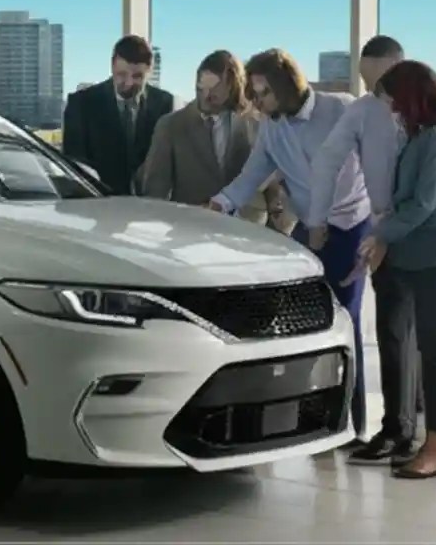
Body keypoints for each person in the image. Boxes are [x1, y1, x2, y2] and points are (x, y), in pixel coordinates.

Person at [206, 48, 371, 440]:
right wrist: (218, 204)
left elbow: (365, 169)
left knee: (345, 322)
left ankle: (353, 424)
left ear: (284, 86)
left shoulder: (341, 109)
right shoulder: (271, 128)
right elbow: (251, 177)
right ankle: (313, 420)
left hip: (350, 226)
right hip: (309, 229)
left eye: (262, 93)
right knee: (301, 323)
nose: (256, 102)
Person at [308, 35, 436, 465]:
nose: (376, 93)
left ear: (401, 69)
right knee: (391, 330)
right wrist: (317, 220)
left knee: (430, 338)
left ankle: (430, 428)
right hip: (384, 226)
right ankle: (397, 428)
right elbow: (330, 159)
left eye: (382, 83)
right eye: (368, 83)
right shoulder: (363, 110)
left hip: (428, 239)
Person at [350, 60, 436, 480]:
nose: (390, 111)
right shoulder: (420, 132)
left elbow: (425, 202)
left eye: (392, 101)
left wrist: (379, 235)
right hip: (422, 255)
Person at [138, 50, 295, 233]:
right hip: (191, 234)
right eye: (200, 89)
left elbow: (274, 184)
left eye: (214, 91)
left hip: (249, 235)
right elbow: (155, 195)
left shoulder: (258, 123)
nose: (205, 96)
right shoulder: (170, 126)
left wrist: (277, 229)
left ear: (233, 87)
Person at [63, 35, 175, 195]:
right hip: (98, 204)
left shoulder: (164, 103)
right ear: (112, 66)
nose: (129, 83)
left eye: (137, 77)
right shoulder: (82, 104)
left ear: (149, 71)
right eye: (122, 74)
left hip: (149, 207)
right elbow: (75, 165)